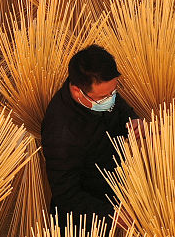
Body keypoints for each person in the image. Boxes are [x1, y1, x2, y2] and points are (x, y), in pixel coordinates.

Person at [41, 44, 139, 227]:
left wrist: (132, 120)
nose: (110, 99)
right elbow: (66, 195)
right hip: (84, 221)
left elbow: (118, 107)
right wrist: (109, 214)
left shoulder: (100, 94)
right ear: (78, 91)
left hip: (114, 192)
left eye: (113, 92)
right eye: (104, 97)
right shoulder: (61, 133)